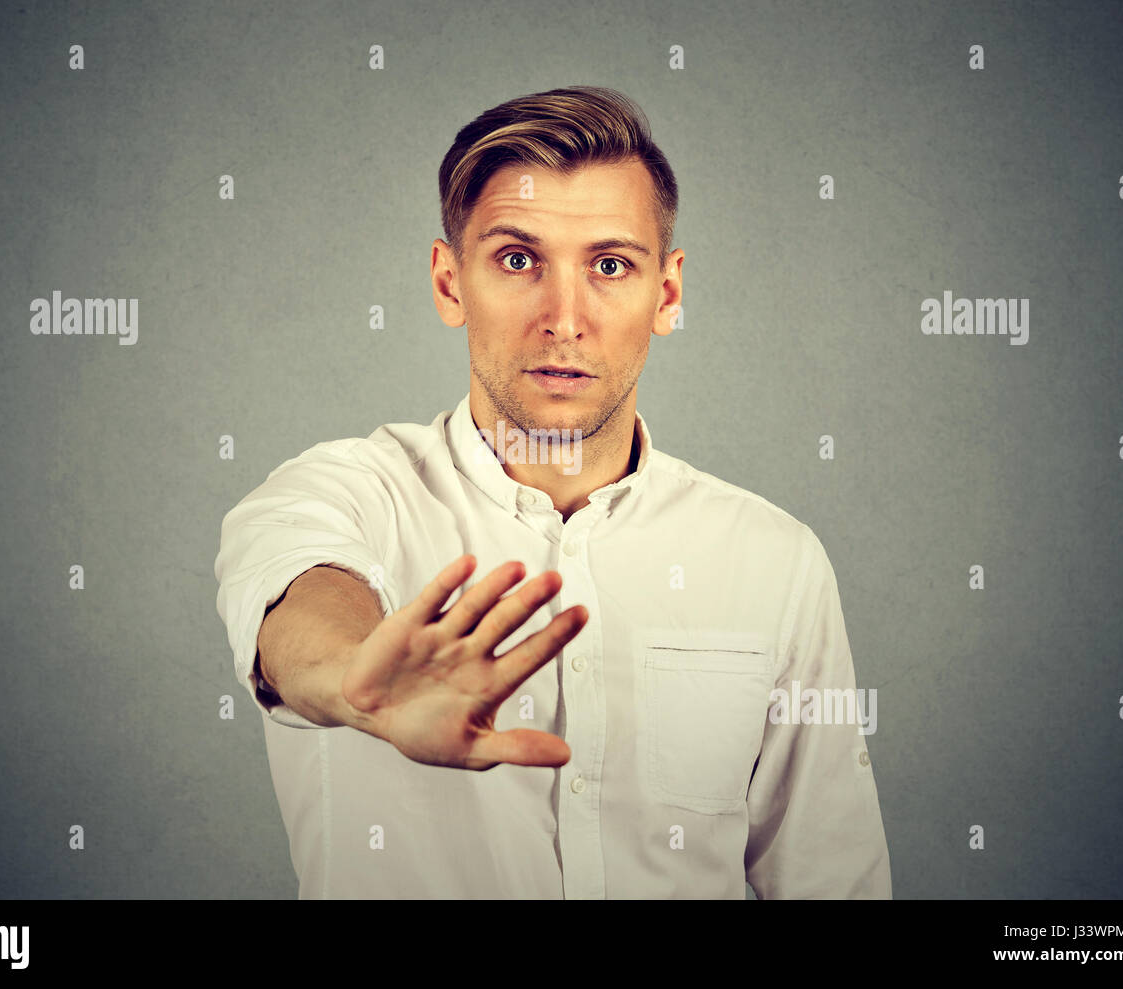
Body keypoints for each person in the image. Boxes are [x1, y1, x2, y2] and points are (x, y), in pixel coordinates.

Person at [213, 85, 891, 899]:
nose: (564, 317)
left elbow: (831, 879)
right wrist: (361, 677)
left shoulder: (777, 562)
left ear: (667, 294)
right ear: (449, 282)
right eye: (516, 259)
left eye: (610, 265)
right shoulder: (342, 491)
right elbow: (300, 598)